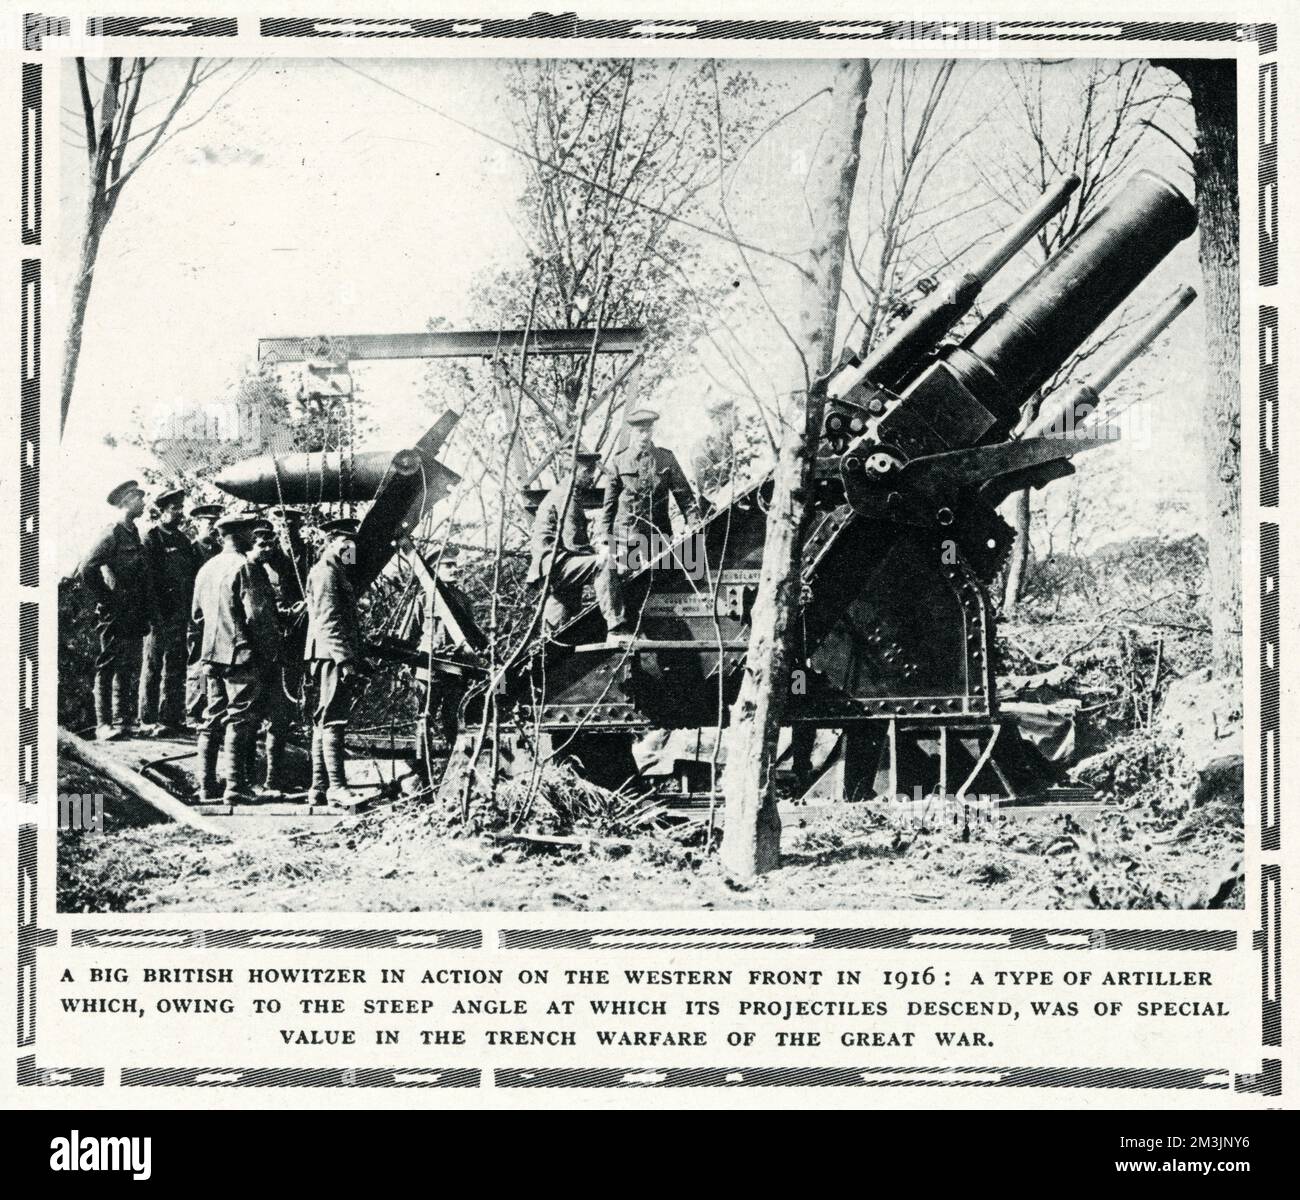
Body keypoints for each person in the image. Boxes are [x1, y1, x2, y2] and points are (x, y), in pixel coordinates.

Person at [190, 513, 277, 803]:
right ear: (239, 535)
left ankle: (206, 787)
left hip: (211, 656)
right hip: (240, 655)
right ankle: (236, 787)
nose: (254, 536)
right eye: (250, 532)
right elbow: (258, 616)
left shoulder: (206, 568)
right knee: (240, 718)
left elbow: (196, 615)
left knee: (211, 717)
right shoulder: (246, 566)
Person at [76, 480, 154, 740]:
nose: (143, 503)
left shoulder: (133, 532)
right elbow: (87, 568)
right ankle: (103, 724)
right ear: (127, 501)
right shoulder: (111, 533)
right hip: (115, 610)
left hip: (134, 610)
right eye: (139, 498)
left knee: (128, 665)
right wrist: (107, 598)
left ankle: (124, 721)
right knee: (108, 664)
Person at [528, 450, 628, 639]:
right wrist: (603, 554)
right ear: (573, 471)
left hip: (549, 568)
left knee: (556, 631)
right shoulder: (566, 497)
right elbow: (575, 543)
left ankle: (546, 651)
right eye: (587, 472)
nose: (591, 477)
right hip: (556, 565)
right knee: (605, 563)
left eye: (591, 471)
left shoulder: (561, 493)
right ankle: (617, 628)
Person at [303, 518, 368, 807]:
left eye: (352, 543)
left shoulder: (337, 568)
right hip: (331, 653)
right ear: (331, 541)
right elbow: (328, 621)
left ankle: (319, 788)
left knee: (324, 719)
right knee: (334, 719)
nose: (351, 548)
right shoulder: (326, 571)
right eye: (346, 543)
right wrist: (345, 660)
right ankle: (337, 788)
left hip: (328, 653)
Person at [601, 409, 701, 576]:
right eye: (640, 431)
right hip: (626, 537)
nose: (644, 436)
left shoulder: (665, 458)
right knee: (628, 584)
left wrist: (695, 523)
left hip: (659, 535)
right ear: (631, 432)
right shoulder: (619, 461)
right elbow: (609, 506)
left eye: (648, 431)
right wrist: (606, 540)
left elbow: (685, 497)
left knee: (663, 583)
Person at [248, 521, 306, 797]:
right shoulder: (248, 572)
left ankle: (272, 781)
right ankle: (248, 782)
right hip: (257, 656)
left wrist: (289, 613)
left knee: (281, 717)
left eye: (271, 542)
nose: (268, 548)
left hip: (282, 652)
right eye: (262, 543)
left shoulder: (286, 567)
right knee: (250, 717)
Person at [138, 487, 201, 735]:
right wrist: (154, 612)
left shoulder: (183, 540)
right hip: (158, 612)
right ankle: (147, 719)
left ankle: (171, 719)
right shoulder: (152, 538)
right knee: (153, 666)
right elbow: (148, 580)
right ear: (162, 511)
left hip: (179, 612)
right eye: (175, 509)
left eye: (181, 508)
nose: (179, 513)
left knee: (175, 666)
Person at [184, 503, 224, 727]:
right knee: (198, 664)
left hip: (218, 615)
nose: (211, 528)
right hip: (198, 616)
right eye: (207, 523)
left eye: (214, 523)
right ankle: (194, 711)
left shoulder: (219, 551)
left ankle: (214, 709)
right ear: (198, 524)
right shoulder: (191, 551)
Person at [689, 395, 746, 505]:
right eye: (734, 418)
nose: (738, 422)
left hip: (735, 499)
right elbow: (709, 491)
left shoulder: (728, 444)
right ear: (720, 421)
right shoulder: (702, 448)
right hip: (719, 510)